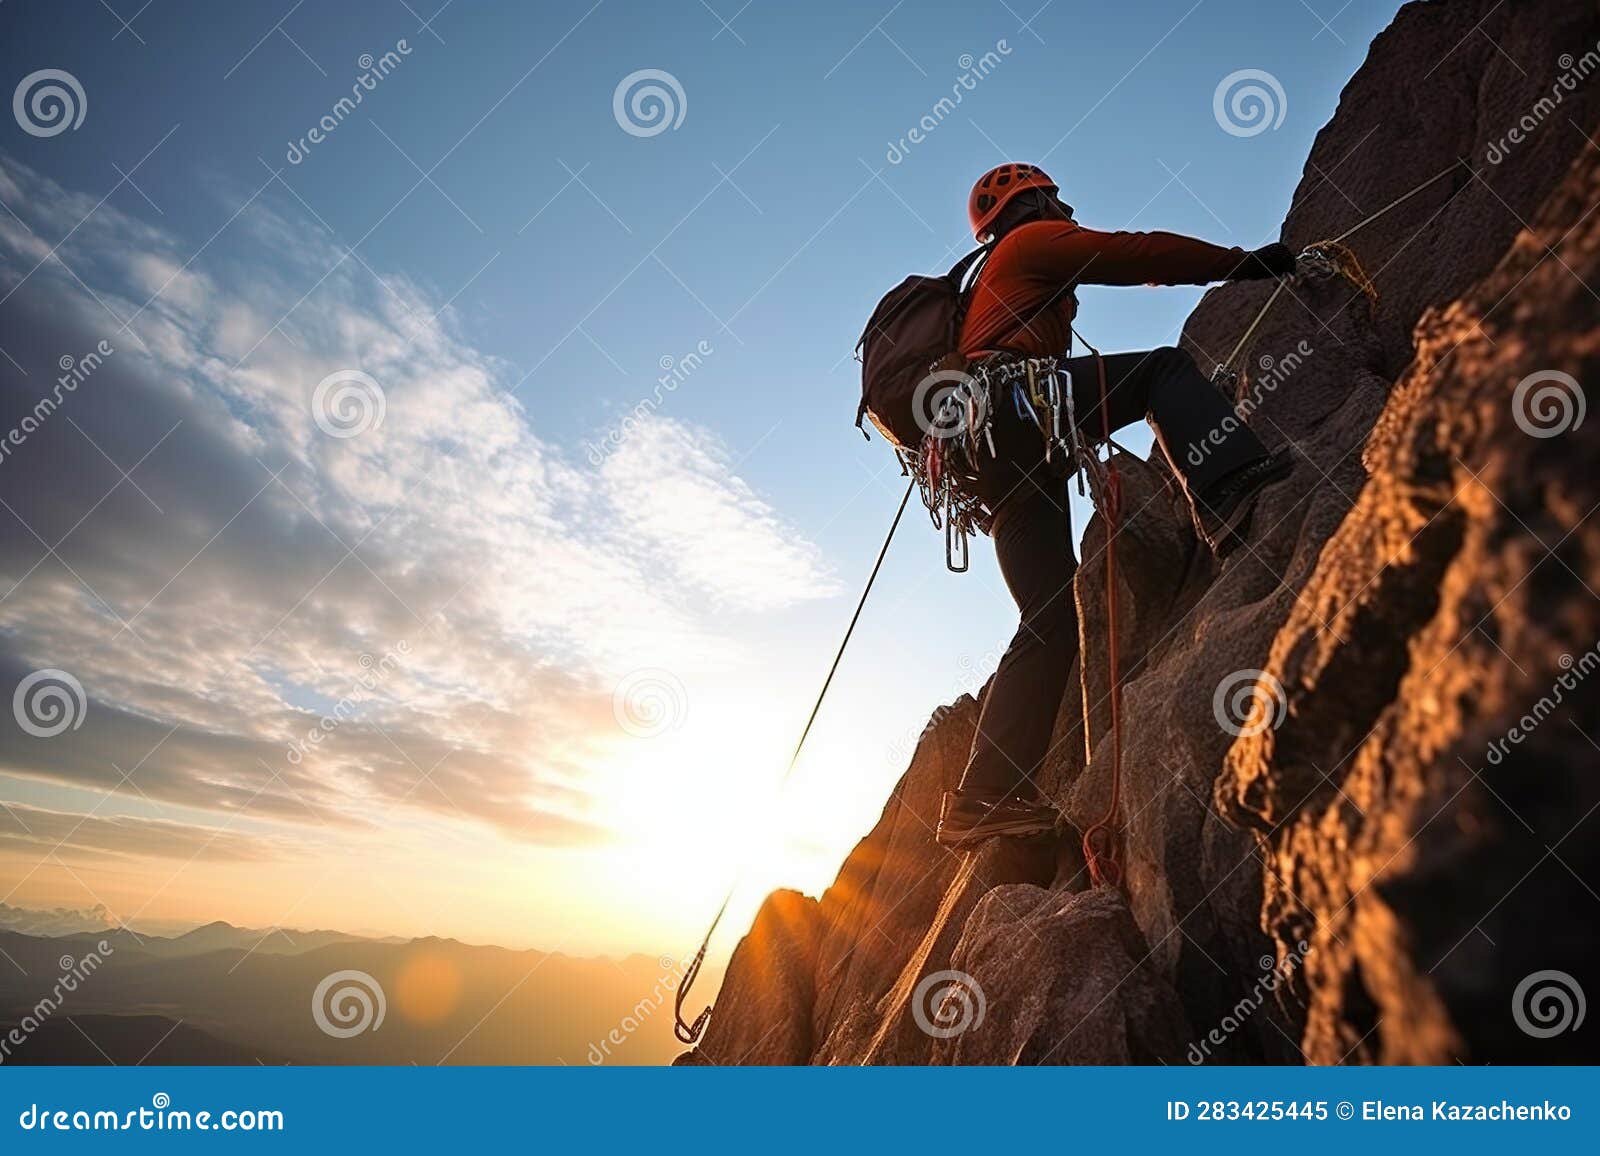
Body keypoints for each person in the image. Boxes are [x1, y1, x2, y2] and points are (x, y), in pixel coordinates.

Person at [935, 162, 1295, 848]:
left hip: (993, 453)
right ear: (1030, 204)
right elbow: (1136, 253)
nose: (1067, 207)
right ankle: (1228, 492)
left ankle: (983, 796)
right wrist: (1241, 264)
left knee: (1047, 617)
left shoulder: (988, 285)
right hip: (1018, 408)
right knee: (1160, 371)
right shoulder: (1029, 243)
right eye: (1054, 197)